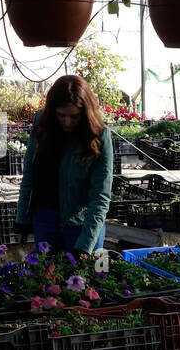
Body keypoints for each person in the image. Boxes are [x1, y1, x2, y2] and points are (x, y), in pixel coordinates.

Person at [13, 74, 113, 254]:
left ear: (85, 112)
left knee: (85, 280)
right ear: (53, 111)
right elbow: (29, 174)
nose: (67, 122)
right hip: (45, 221)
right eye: (61, 115)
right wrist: (22, 220)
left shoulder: (99, 134)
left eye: (74, 116)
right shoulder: (42, 124)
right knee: (47, 279)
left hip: (82, 225)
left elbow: (100, 196)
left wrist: (84, 246)